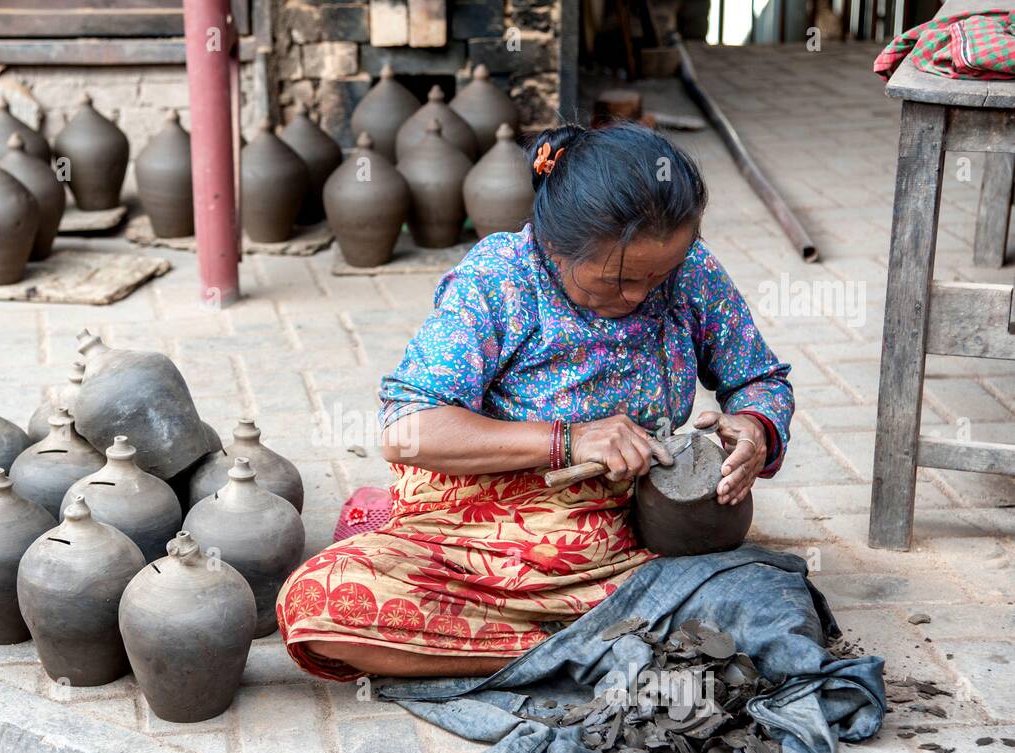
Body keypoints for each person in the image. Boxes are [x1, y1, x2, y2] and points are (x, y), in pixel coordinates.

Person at [276, 122, 793, 682]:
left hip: (633, 546)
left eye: (659, 275)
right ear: (554, 247)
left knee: (774, 605)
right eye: (616, 280)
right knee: (317, 605)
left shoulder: (690, 270)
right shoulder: (499, 280)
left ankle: (582, 646)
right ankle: (589, 651)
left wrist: (756, 426)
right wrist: (569, 439)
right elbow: (408, 430)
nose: (643, 294)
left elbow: (760, 377)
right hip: (473, 546)